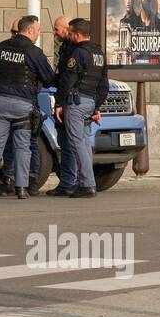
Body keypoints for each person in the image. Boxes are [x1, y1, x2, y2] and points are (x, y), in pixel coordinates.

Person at [0, 15, 54, 200]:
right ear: (29, 30)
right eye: (38, 31)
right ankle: (21, 188)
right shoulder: (35, 52)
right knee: (23, 146)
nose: (38, 34)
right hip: (23, 104)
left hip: (0, 102)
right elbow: (49, 77)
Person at [54, 18, 108, 198]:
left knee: (77, 143)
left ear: (76, 34)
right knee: (84, 143)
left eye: (69, 32)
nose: (68, 35)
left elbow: (67, 80)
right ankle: (85, 181)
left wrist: (59, 103)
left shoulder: (78, 53)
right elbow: (103, 85)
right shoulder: (98, 53)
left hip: (76, 102)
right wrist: (96, 107)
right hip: (90, 102)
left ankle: (86, 184)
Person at [47, 16, 78, 196]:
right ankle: (68, 181)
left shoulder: (75, 50)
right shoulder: (66, 47)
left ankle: (70, 182)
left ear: (67, 29)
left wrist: (59, 102)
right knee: (67, 143)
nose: (54, 33)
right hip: (70, 99)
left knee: (71, 143)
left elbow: (68, 79)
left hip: (72, 101)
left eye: (57, 29)